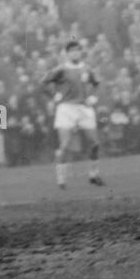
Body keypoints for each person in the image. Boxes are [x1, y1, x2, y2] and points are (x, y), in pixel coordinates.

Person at [42, 39, 105, 187]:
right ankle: (61, 179)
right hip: (66, 108)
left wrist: (93, 97)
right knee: (64, 145)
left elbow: (96, 83)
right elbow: (43, 82)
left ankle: (93, 175)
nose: (75, 53)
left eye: (77, 50)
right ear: (67, 54)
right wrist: (54, 96)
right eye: (72, 51)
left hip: (84, 108)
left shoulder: (86, 68)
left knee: (94, 143)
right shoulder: (61, 69)